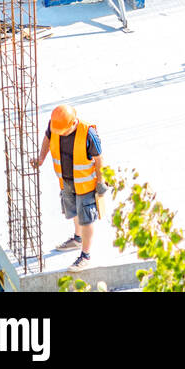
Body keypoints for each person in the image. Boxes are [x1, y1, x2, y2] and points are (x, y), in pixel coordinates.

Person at [32, 104, 105, 272]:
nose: (61, 134)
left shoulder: (88, 133)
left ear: (73, 123)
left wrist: (101, 182)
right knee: (73, 211)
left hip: (86, 184)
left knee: (86, 217)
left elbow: (99, 159)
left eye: (64, 132)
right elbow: (47, 139)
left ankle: (85, 255)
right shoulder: (56, 126)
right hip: (66, 181)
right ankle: (77, 239)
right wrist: (41, 158)